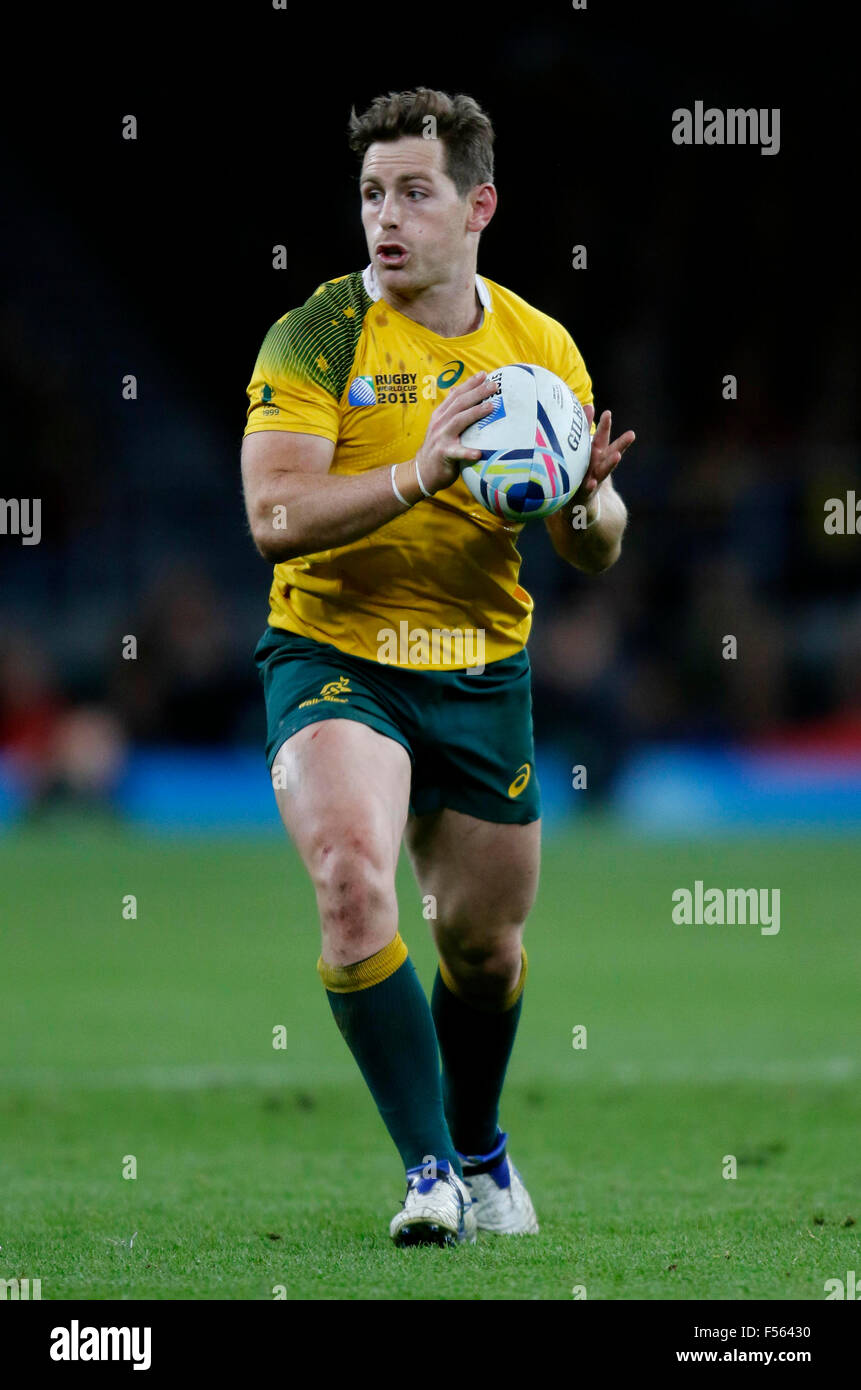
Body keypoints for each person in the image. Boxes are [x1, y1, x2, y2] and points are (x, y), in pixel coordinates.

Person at [241, 87, 635, 1247]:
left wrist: (590, 498)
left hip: (479, 667)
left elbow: (591, 549)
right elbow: (274, 515)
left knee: (484, 943)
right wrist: (418, 471)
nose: (387, 217)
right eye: (371, 194)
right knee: (353, 878)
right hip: (337, 654)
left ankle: (479, 1148)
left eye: (414, 191)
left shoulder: (540, 348)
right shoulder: (316, 332)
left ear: (479, 205)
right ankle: (429, 1177)